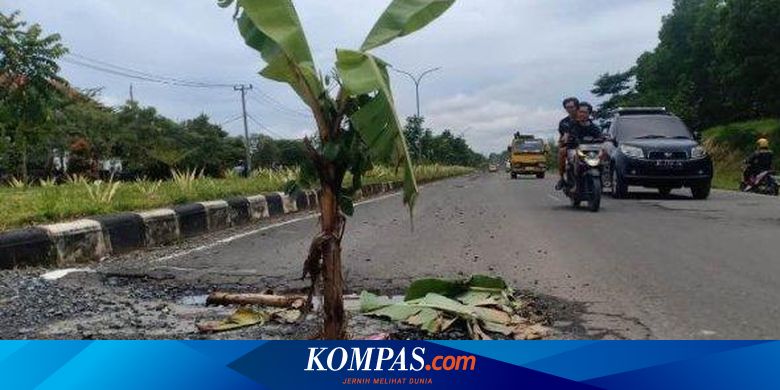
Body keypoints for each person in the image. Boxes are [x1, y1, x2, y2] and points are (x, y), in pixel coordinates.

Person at [563, 102, 603, 190]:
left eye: (585, 112)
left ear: (589, 114)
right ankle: (574, 183)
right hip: (574, 149)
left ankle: (604, 179)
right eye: (580, 112)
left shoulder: (594, 127)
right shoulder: (572, 125)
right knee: (574, 158)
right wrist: (567, 138)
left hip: (590, 151)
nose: (582, 114)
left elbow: (600, 136)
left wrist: (605, 138)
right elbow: (566, 135)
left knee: (603, 157)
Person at [555, 97, 579, 190]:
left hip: (586, 147)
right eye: (567, 107)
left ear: (577, 107)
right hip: (571, 147)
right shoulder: (564, 122)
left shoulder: (583, 119)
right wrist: (562, 141)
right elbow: (563, 136)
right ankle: (561, 178)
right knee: (561, 152)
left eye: (572, 107)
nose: (569, 109)